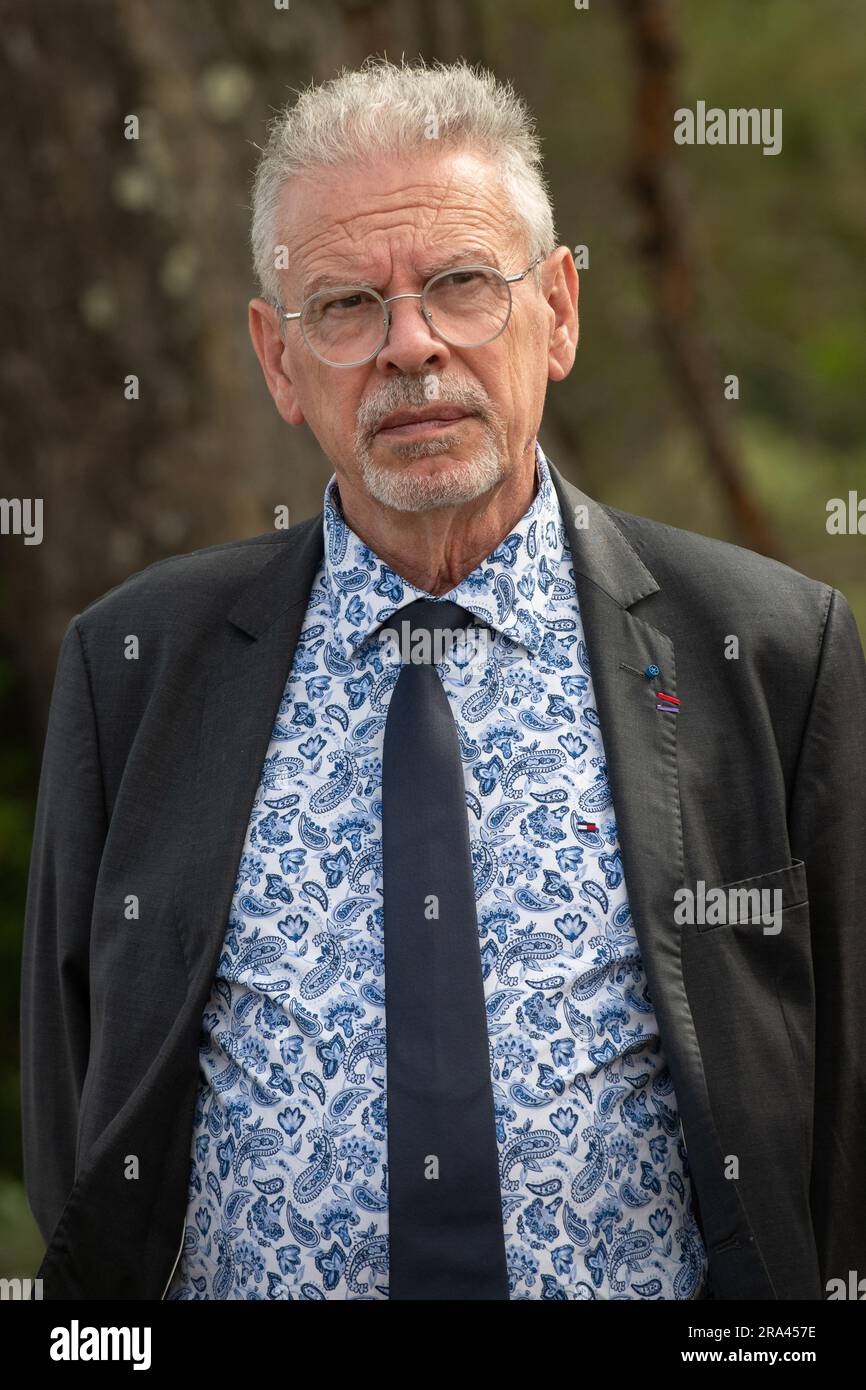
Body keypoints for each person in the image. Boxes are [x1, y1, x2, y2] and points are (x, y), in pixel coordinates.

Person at [20, 56, 865, 1301]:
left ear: (559, 309)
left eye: (462, 285)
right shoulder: (136, 668)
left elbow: (841, 1124)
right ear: (276, 355)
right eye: (346, 306)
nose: (411, 347)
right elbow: (77, 1115)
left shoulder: (772, 654)